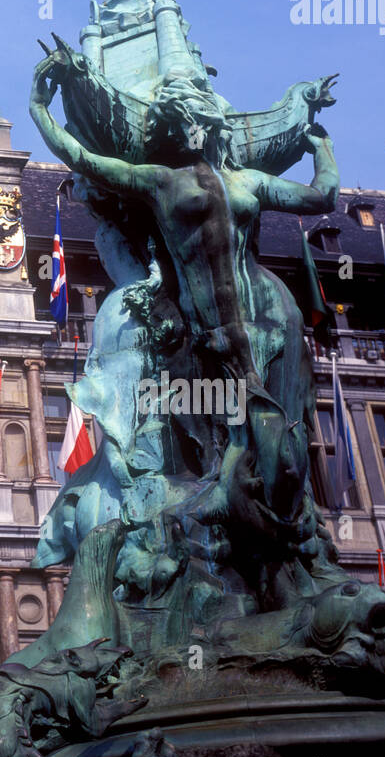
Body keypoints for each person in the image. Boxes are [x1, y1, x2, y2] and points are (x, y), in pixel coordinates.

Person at [30, 50, 339, 524]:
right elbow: (83, 160)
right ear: (173, 128)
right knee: (221, 435)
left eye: (203, 118)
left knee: (285, 449)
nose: (197, 126)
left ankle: (283, 531)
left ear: (214, 127)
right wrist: (39, 109)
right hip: (200, 329)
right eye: (187, 119)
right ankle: (220, 510)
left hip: (267, 323)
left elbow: (322, 197)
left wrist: (322, 148)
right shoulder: (159, 181)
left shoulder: (248, 180)